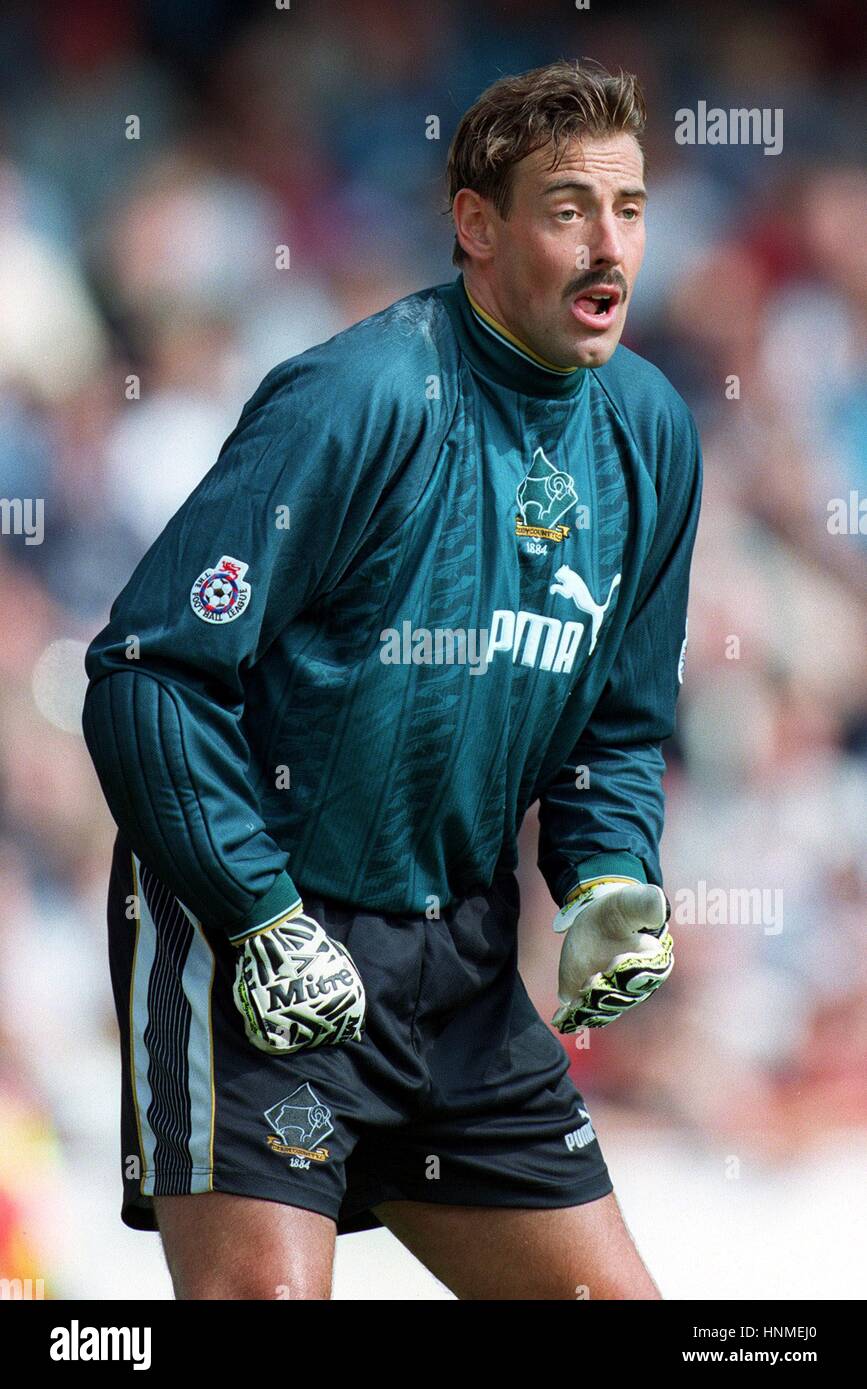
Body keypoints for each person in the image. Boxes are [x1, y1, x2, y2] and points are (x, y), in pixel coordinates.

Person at [82, 58, 702, 1300]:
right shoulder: (355, 397)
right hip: (260, 930)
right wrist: (254, 911)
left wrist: (607, 877)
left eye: (629, 209)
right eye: (568, 207)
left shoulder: (650, 429)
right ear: (476, 224)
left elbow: (621, 725)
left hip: (462, 963)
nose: (609, 247)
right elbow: (144, 674)